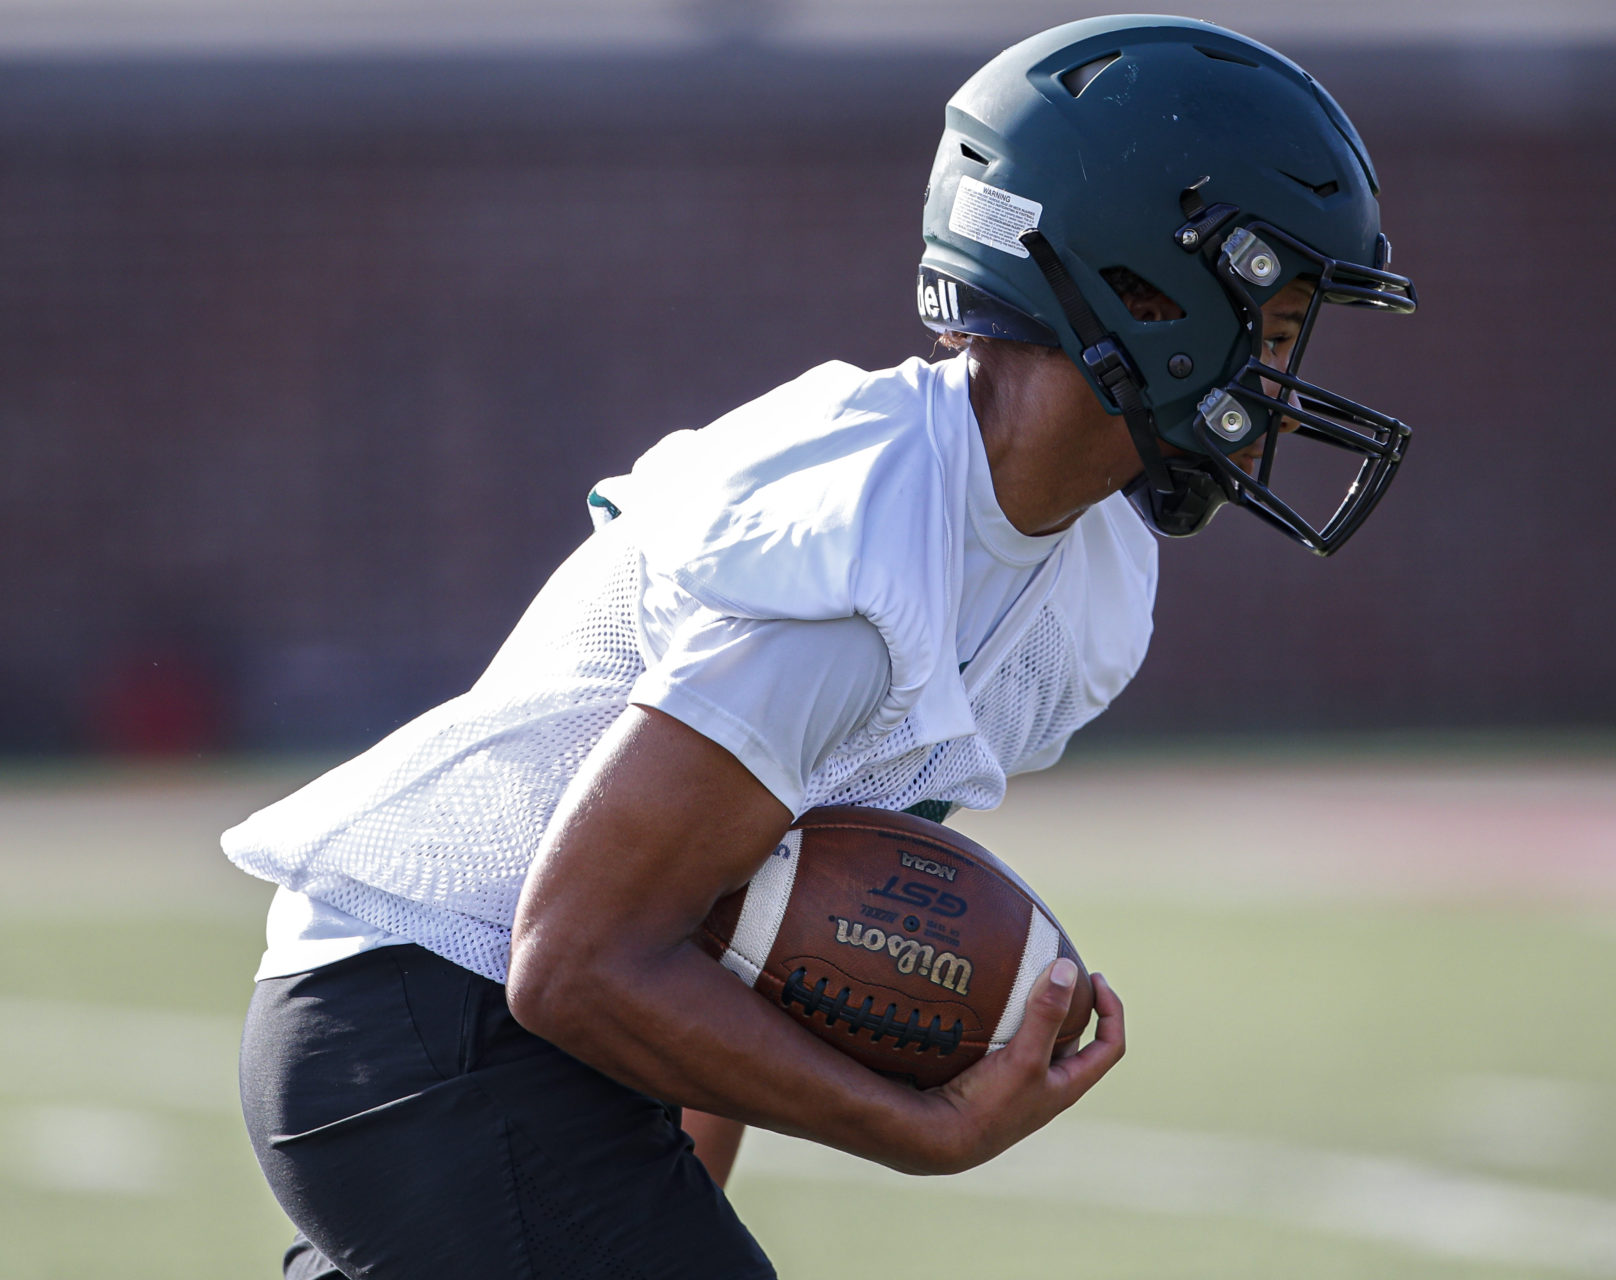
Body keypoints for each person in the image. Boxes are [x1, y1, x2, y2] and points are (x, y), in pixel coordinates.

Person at [224, 14, 1419, 1278]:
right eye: (1277, 327)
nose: (1286, 385)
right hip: (419, 1016)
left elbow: (743, 916)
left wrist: (691, 1181)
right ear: (1143, 288)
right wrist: (919, 1129)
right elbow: (577, 956)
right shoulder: (861, 552)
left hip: (522, 1034)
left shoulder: (1085, 575)